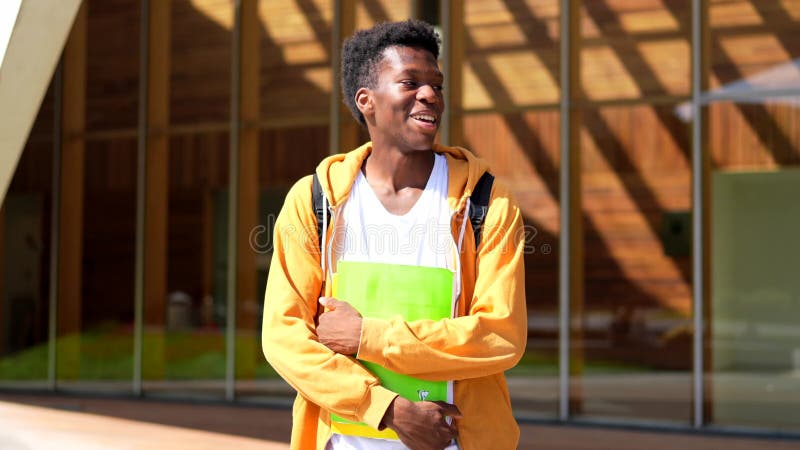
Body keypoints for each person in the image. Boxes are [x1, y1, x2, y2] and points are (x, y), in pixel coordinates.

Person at [262, 19, 527, 450]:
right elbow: (285, 338)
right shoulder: (315, 201)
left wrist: (367, 336)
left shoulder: (488, 201)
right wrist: (388, 410)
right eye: (410, 82)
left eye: (437, 85)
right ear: (366, 100)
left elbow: (500, 336)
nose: (430, 95)